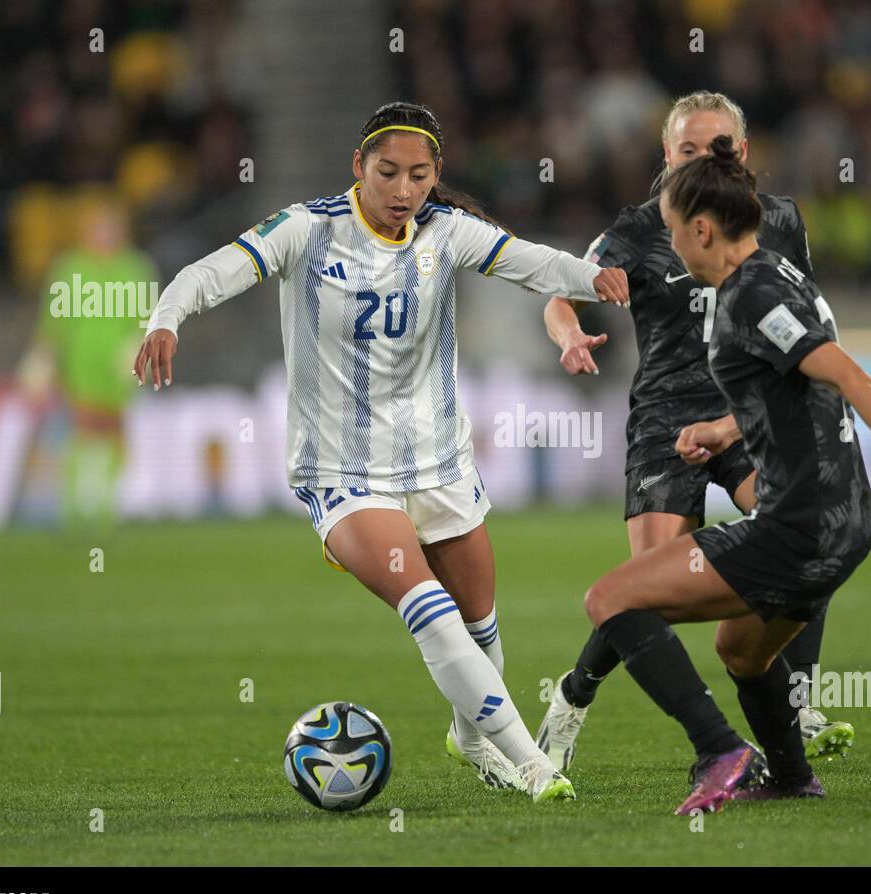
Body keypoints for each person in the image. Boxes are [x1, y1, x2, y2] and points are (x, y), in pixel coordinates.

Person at [134, 102, 630, 803]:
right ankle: (530, 763)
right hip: (342, 472)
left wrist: (599, 281)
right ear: (358, 168)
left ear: (435, 176)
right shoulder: (308, 231)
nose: (403, 190)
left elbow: (535, 264)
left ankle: (471, 737)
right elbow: (211, 271)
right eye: (388, 172)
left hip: (439, 463)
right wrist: (166, 316)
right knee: (424, 603)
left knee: (481, 621)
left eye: (418, 175)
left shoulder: (445, 232)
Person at [580, 136, 871, 814]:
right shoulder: (779, 272)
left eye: (670, 229)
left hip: (796, 526)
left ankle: (718, 748)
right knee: (742, 652)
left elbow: (841, 368)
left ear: (702, 229)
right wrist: (723, 429)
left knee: (611, 600)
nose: (669, 246)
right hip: (848, 524)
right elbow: (792, 387)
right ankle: (792, 775)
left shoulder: (749, 294)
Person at [536, 92, 851, 773]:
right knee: (647, 592)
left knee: (801, 529)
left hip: (745, 418)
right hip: (664, 423)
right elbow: (561, 294)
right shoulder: (640, 228)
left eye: (720, 148)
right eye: (688, 149)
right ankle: (573, 695)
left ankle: (794, 701)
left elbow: (805, 321)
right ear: (665, 158)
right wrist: (569, 336)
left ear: (745, 153)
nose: (705, 159)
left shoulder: (784, 222)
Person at [19, 190, 156, 534]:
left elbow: (151, 318)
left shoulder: (135, 268)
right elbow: (53, 324)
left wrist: (140, 347)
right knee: (82, 431)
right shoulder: (68, 269)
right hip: (80, 367)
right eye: (97, 228)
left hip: (120, 371)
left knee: (113, 434)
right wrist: (42, 359)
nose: (103, 235)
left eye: (109, 228)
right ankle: (74, 508)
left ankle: (104, 507)